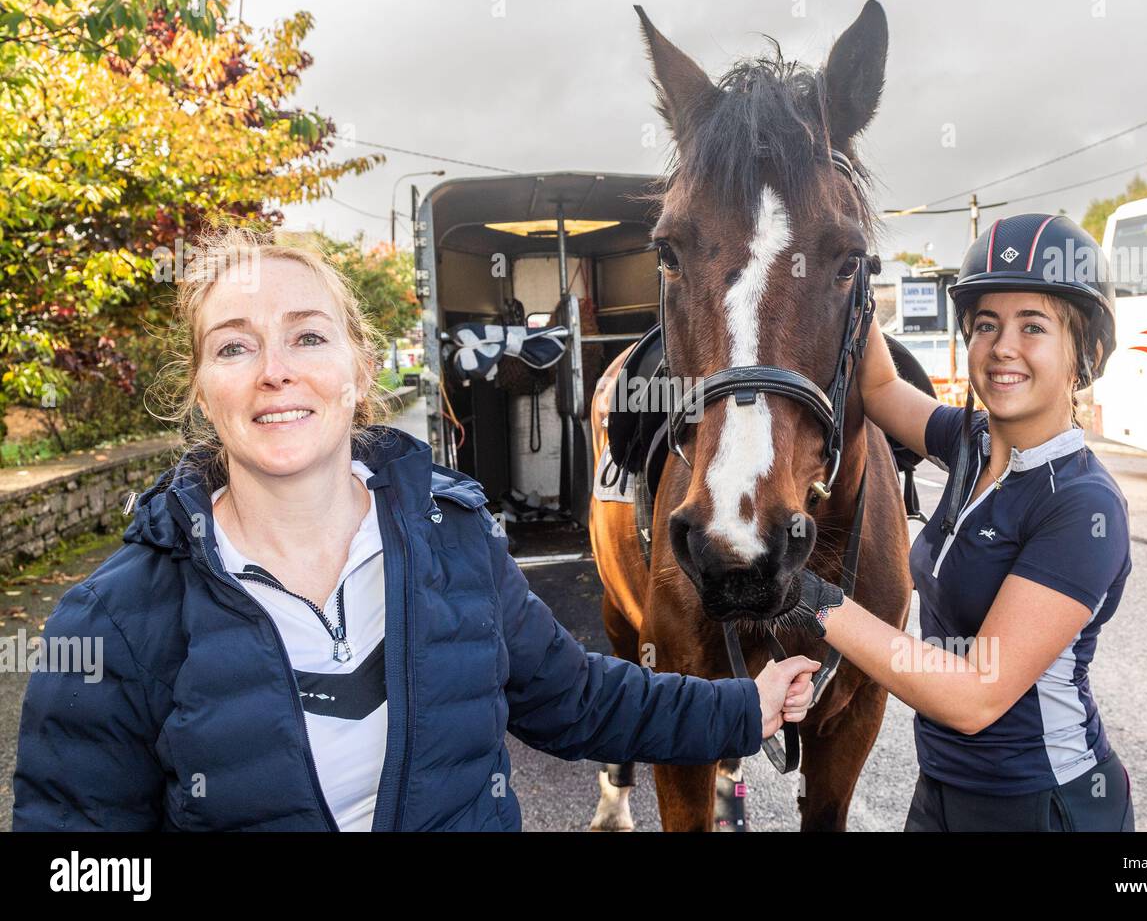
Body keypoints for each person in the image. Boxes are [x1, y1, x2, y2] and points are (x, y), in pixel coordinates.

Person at [11, 229, 817, 832]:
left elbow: (574, 698)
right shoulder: (113, 623)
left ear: (359, 370)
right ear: (201, 388)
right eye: (234, 347)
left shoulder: (453, 542)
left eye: (308, 336)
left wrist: (742, 709)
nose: (275, 371)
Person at [794, 214, 1135, 831]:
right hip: (941, 789)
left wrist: (813, 599)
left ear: (1087, 353)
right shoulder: (970, 442)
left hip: (1041, 804)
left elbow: (974, 695)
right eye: (986, 325)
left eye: (1034, 326)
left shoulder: (1084, 505)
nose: (1003, 347)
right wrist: (845, 269)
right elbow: (877, 386)